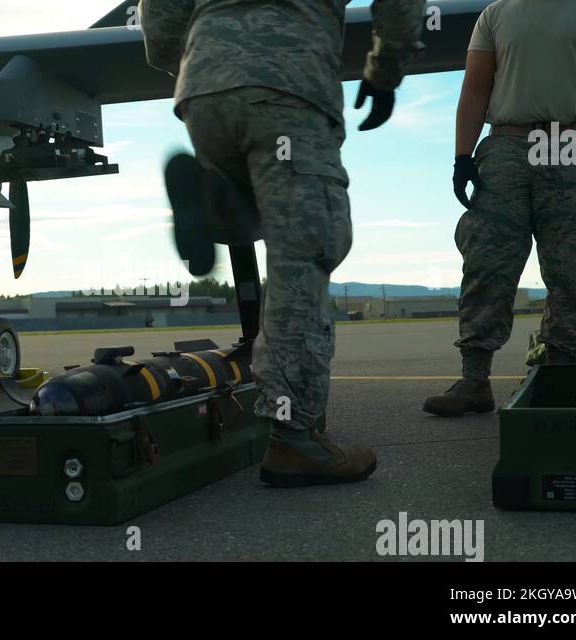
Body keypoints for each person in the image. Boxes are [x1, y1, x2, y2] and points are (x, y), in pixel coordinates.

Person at [139, 0, 425, 486]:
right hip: (289, 84)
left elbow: (161, 16)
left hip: (204, 88)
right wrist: (384, 70)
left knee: (257, 212)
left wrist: (205, 62)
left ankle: (220, 202)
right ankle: (296, 440)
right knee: (305, 252)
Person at [424, 0, 576, 418]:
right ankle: (474, 381)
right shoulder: (496, 13)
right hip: (506, 142)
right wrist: (462, 156)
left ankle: (559, 377)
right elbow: (476, 87)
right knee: (487, 260)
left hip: (572, 141)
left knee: (568, 267)